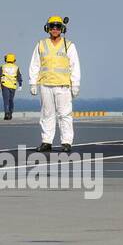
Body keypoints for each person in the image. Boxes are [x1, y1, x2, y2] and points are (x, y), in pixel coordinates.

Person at [30, 16, 80, 154]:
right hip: (46, 84)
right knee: (47, 114)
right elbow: (35, 64)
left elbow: (75, 66)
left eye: (58, 27)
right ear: (47, 28)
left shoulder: (69, 45)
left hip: (63, 86)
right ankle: (46, 141)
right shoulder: (41, 44)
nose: (55, 29)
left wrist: (75, 84)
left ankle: (66, 142)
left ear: (62, 29)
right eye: (52, 26)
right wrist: (33, 82)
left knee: (65, 115)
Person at [1, 54, 20, 121]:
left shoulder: (3, 66)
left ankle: (6, 114)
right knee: (11, 100)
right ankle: (10, 114)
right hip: (13, 86)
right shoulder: (16, 67)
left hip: (5, 85)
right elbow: (19, 76)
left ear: (7, 59)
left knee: (6, 101)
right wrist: (20, 84)